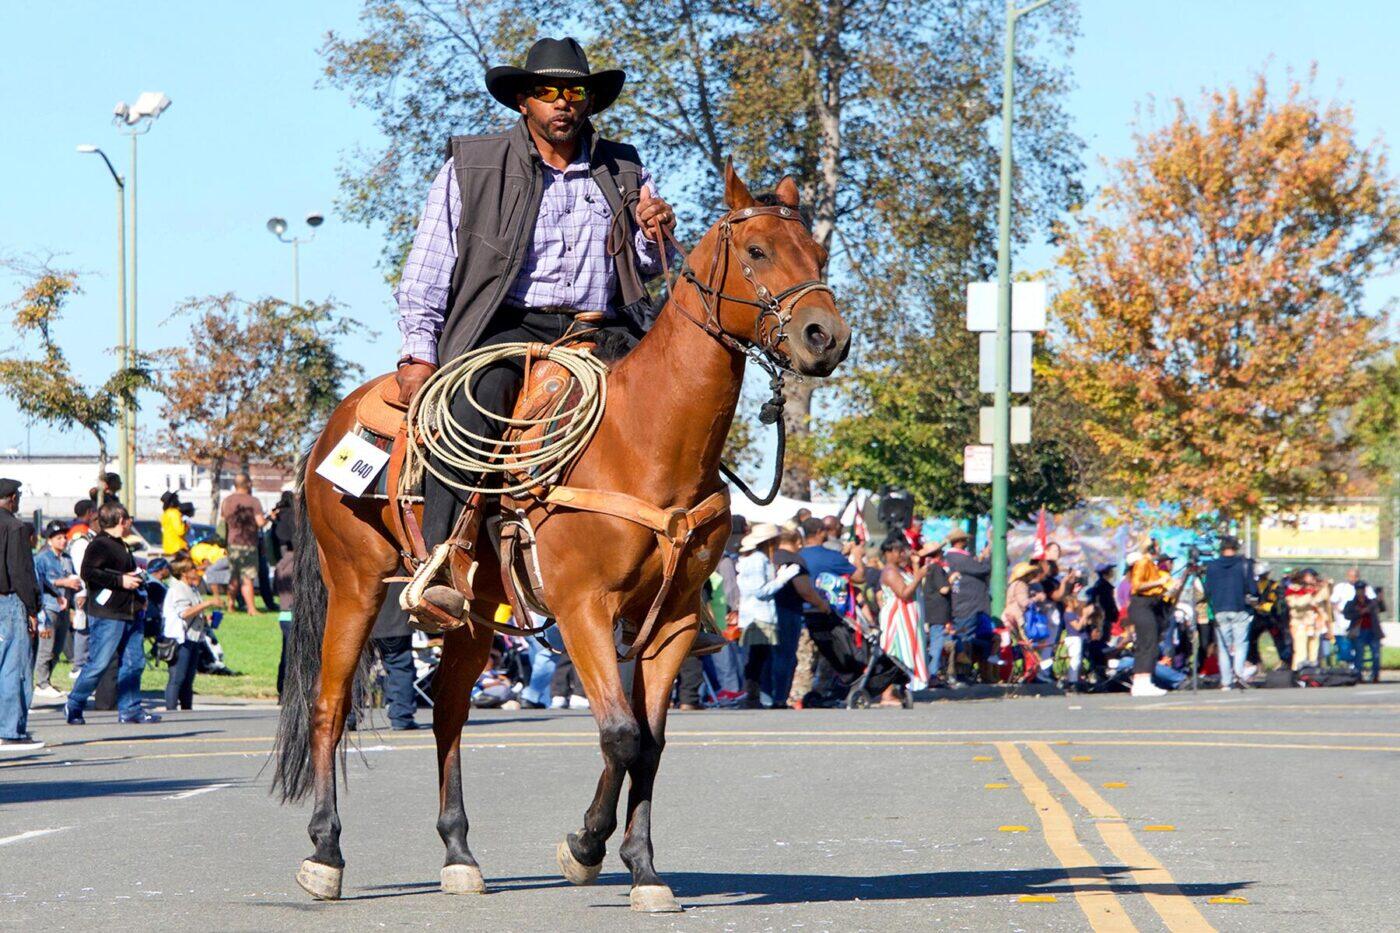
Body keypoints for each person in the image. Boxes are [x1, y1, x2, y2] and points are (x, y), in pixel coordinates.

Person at [393, 36, 681, 626]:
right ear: (524, 100)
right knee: (471, 412)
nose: (562, 103)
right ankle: (443, 565)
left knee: (673, 411)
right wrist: (418, 355)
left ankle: (679, 580)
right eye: (547, 91)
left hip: (603, 328)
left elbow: (650, 268)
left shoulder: (624, 168)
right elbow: (426, 269)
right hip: (507, 325)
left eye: (573, 91)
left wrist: (655, 232)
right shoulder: (471, 166)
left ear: (588, 101)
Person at [65, 502, 159, 725]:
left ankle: (131, 709)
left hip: (130, 611)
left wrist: (137, 580)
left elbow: (121, 572)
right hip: (108, 614)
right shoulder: (100, 544)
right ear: (120, 520)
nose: (131, 523)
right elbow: (88, 572)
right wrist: (120, 580)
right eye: (128, 519)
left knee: (134, 662)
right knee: (99, 663)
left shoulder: (121, 545)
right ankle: (74, 703)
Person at [736, 523, 802, 708]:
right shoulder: (759, 560)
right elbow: (760, 591)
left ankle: (755, 697)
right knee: (758, 659)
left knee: (758, 658)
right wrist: (783, 578)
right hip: (760, 615)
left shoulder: (757, 558)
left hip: (756, 615)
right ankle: (753, 697)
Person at [0, 479, 43, 751]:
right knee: (14, 667)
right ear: (12, 498)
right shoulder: (14, 527)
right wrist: (32, 607)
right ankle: (10, 729)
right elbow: (21, 572)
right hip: (9, 600)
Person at [162, 556, 218, 711]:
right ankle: (171, 710)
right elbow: (184, 613)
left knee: (188, 679)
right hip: (181, 639)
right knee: (177, 678)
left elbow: (193, 610)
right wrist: (206, 603)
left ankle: (187, 710)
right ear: (184, 573)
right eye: (193, 569)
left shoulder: (192, 588)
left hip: (194, 637)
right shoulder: (177, 588)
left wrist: (205, 617)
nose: (196, 571)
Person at [33, 519, 80, 700]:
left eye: (64, 537)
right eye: (59, 537)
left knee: (58, 648)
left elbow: (73, 579)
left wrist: (74, 604)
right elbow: (40, 581)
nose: (63, 541)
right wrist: (63, 582)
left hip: (64, 608)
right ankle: (41, 683)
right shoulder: (41, 558)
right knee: (46, 646)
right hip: (48, 607)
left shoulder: (67, 559)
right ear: (50, 540)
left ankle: (48, 680)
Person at [1203, 536, 1257, 690]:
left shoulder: (1212, 566)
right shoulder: (1244, 564)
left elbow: (1207, 589)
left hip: (1219, 608)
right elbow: (1252, 588)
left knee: (1224, 646)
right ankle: (1239, 675)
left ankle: (1226, 681)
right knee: (1240, 644)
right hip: (1239, 607)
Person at [877, 538, 928, 699]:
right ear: (889, 553)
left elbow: (915, 587)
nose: (902, 554)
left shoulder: (901, 570)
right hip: (897, 620)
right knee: (894, 654)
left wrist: (915, 566)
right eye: (899, 551)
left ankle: (898, 690)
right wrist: (919, 576)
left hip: (908, 621)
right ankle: (886, 695)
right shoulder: (890, 571)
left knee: (905, 653)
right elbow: (904, 593)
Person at [944, 528, 995, 683]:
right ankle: (960, 675)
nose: (967, 543)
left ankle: (965, 674)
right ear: (959, 542)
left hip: (965, 606)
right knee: (964, 640)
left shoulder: (955, 558)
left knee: (967, 640)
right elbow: (983, 569)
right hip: (967, 606)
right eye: (965, 540)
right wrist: (986, 557)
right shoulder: (958, 558)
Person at [370, 583, 421, 729]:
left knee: (355, 672)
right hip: (395, 622)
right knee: (400, 667)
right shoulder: (402, 560)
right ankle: (401, 718)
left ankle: (348, 718)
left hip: (363, 622)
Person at [1127, 537, 1173, 697]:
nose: (1159, 550)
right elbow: (1137, 585)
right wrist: (1159, 582)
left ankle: (1143, 680)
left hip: (1150, 604)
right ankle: (1142, 681)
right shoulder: (1143, 563)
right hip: (1142, 604)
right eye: (1157, 547)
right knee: (1147, 642)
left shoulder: (1150, 564)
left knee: (1149, 642)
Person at [219, 474, 267, 614]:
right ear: (248, 484)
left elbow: (223, 522)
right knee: (248, 577)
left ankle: (231, 605)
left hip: (232, 543)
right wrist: (268, 518)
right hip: (248, 544)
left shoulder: (226, 501)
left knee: (233, 577)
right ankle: (251, 609)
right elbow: (260, 523)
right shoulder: (253, 501)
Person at [1332, 568, 1383, 683]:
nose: (1361, 592)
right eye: (1359, 590)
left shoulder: (1371, 601)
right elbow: (1347, 614)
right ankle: (1358, 676)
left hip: (1372, 631)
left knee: (1376, 654)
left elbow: (1379, 607)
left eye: (1362, 589)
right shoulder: (1351, 601)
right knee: (1358, 655)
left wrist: (1378, 601)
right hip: (1358, 631)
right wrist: (1358, 612)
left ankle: (1375, 676)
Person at [921, 541, 953, 687]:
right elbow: (943, 590)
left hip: (930, 611)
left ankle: (931, 673)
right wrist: (951, 580)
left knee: (934, 641)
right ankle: (932, 674)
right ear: (939, 554)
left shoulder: (927, 569)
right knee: (937, 643)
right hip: (938, 612)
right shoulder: (936, 569)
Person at [160, 491, 190, 555]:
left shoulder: (165, 514)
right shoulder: (174, 513)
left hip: (167, 547)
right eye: (176, 499)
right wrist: (186, 525)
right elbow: (180, 531)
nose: (178, 501)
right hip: (178, 548)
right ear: (172, 502)